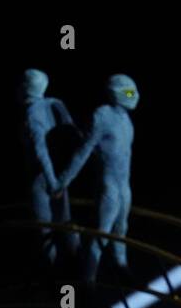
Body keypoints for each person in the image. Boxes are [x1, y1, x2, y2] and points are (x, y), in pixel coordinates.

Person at [58, 75, 139, 284]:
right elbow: (83, 152)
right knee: (102, 232)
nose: (134, 97)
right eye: (129, 93)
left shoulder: (126, 120)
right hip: (109, 184)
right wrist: (64, 180)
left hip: (124, 184)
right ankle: (88, 281)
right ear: (116, 94)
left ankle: (121, 266)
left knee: (121, 227)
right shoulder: (103, 116)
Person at [19, 69, 79, 264]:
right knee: (66, 222)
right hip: (59, 173)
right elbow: (72, 132)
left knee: (46, 229)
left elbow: (40, 150)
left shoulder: (32, 113)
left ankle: (55, 274)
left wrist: (53, 182)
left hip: (42, 177)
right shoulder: (55, 103)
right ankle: (76, 265)